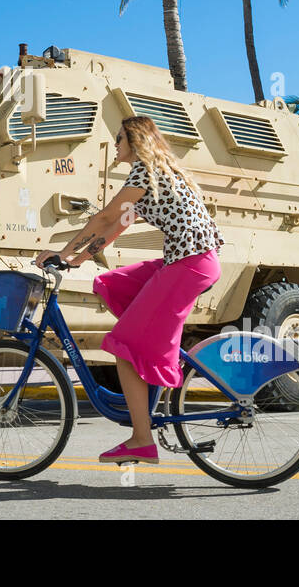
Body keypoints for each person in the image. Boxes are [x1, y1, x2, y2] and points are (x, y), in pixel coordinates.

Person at [35, 116, 224, 465]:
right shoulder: (157, 174)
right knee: (112, 283)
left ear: (135, 141)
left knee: (124, 346)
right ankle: (150, 351)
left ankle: (141, 439)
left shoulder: (143, 173)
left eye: (119, 138)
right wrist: (76, 260)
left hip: (188, 265)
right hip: (189, 262)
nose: (116, 144)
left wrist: (62, 254)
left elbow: (105, 217)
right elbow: (114, 228)